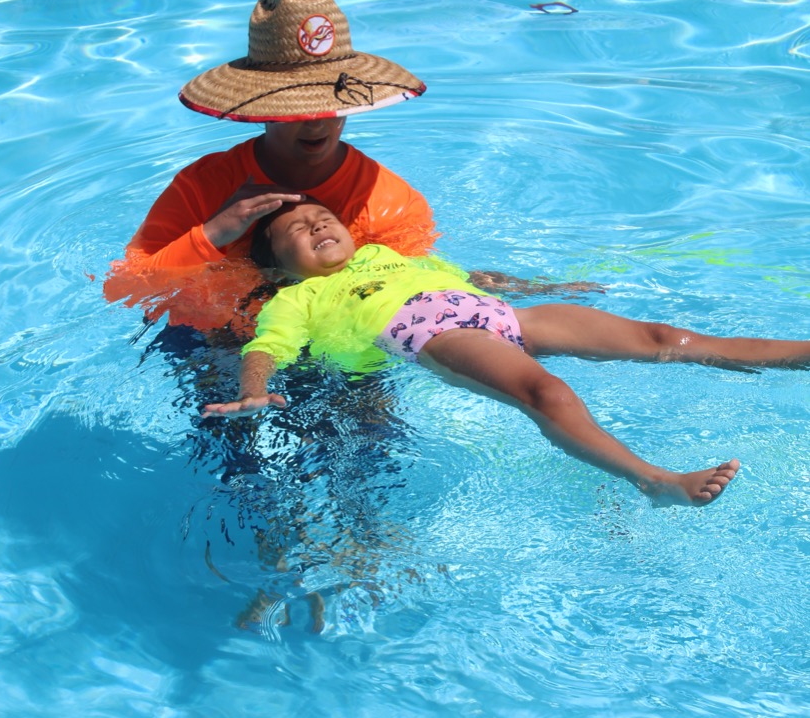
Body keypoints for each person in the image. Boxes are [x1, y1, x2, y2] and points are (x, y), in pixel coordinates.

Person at [204, 201, 810, 505]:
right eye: (297, 231)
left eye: (323, 217)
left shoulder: (385, 255)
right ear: (277, 267)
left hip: (501, 315)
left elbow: (471, 278)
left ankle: (798, 354)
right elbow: (268, 346)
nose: (316, 226)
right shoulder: (299, 297)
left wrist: (544, 287)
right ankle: (656, 481)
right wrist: (254, 389)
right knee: (545, 392)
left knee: (661, 337)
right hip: (437, 336)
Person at [104, 0, 595, 334]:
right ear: (262, 110)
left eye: (331, 103)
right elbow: (122, 290)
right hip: (213, 344)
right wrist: (214, 232)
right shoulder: (201, 188)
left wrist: (517, 288)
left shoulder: (390, 203)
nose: (317, 121)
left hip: (340, 340)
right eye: (297, 107)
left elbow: (417, 290)